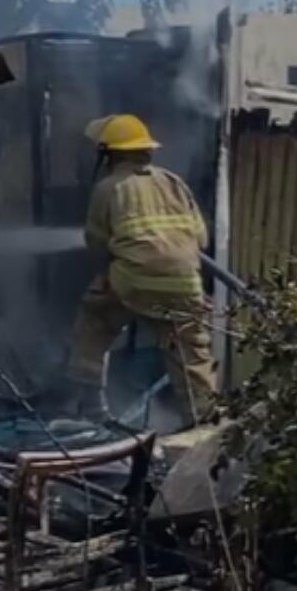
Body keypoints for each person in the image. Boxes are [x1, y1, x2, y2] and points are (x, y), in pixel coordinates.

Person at [44, 113, 219, 424]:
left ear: (109, 153)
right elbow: (201, 238)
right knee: (190, 353)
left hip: (132, 279)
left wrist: (109, 273)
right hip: (184, 282)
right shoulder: (174, 182)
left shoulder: (109, 187)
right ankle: (203, 424)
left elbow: (97, 242)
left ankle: (90, 408)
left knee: (94, 321)